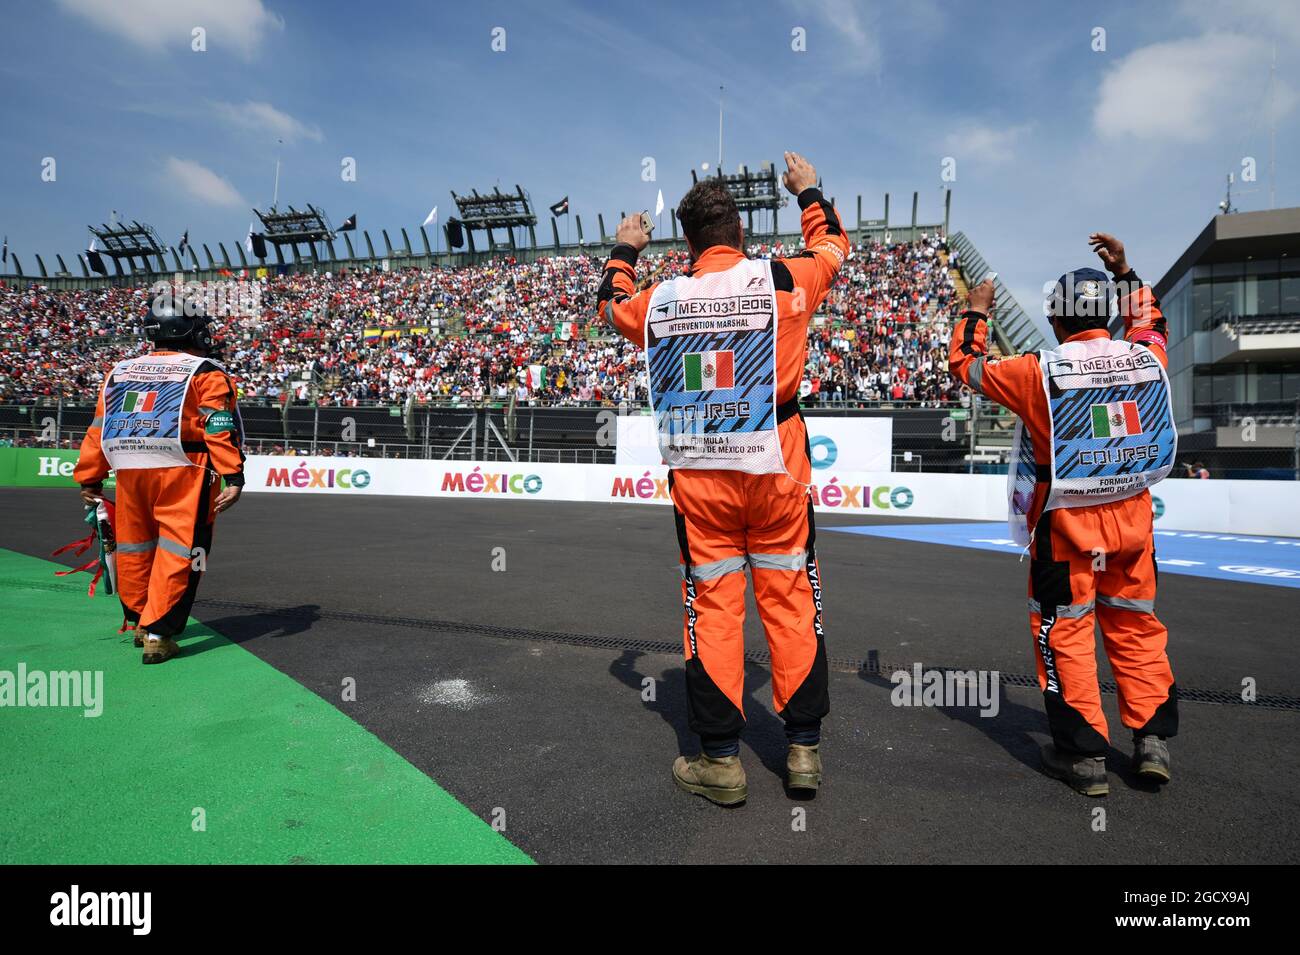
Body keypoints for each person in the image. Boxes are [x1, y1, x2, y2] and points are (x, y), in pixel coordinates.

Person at [597, 152, 850, 805]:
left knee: (714, 604)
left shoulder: (661, 299)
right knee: (790, 597)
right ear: (740, 232)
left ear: (687, 242)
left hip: (702, 475)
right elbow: (833, 246)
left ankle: (720, 760)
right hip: (777, 463)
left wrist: (625, 247)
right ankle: (802, 751)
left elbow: (612, 306)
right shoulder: (782, 279)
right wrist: (808, 190)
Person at [948, 234, 1178, 796]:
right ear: (1109, 314)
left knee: (1065, 634)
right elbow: (1152, 321)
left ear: (1055, 323)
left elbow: (968, 367)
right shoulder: (1147, 357)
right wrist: (1126, 275)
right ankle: (1151, 742)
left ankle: (1082, 757)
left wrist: (975, 312)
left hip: (1066, 529)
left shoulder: (1035, 372)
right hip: (1133, 524)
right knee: (1135, 626)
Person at [74, 298, 245, 664]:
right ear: (188, 331)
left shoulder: (119, 372)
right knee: (181, 550)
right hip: (187, 468)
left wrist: (90, 476)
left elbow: (99, 429)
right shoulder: (205, 372)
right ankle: (159, 633)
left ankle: (138, 620)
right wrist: (233, 474)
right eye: (202, 328)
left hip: (130, 468)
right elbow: (218, 425)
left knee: (135, 546)